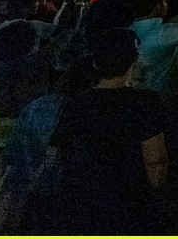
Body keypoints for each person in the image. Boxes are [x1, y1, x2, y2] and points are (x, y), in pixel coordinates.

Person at [47, 27, 168, 234]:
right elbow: (155, 161)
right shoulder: (145, 103)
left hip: (84, 204)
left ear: (95, 63)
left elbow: (54, 154)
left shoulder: (76, 104)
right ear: (134, 60)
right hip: (131, 204)